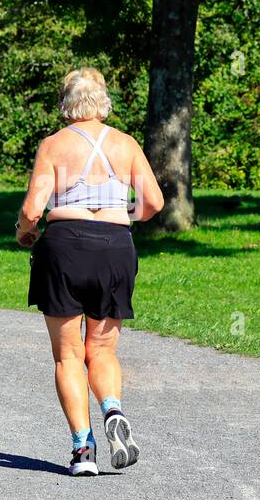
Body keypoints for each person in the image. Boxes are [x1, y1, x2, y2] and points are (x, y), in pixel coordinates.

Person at [15, 67, 164, 476]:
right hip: (116, 248)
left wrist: (24, 232)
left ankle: (83, 451)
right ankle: (112, 409)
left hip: (64, 246)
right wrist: (123, 213)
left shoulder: (53, 145)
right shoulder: (126, 143)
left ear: (65, 105)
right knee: (102, 350)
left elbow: (32, 209)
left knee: (68, 356)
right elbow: (153, 203)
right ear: (103, 102)